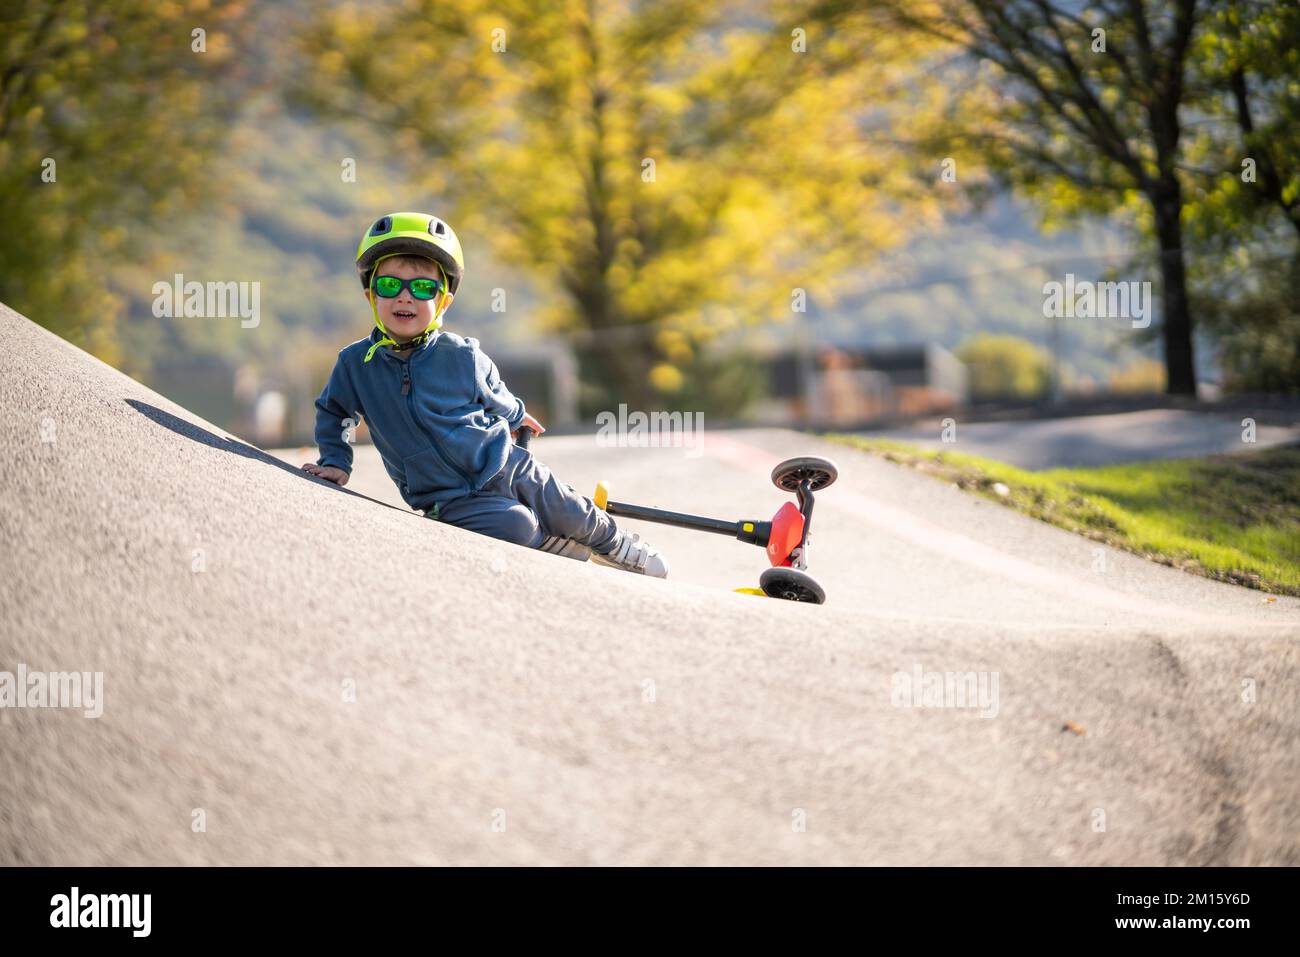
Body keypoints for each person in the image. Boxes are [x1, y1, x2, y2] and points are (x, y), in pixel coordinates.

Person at [302, 212, 667, 577]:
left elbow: (495, 393)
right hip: (445, 498)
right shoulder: (355, 364)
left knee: (568, 508)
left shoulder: (461, 355)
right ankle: (555, 543)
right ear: (370, 294)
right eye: (390, 286)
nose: (406, 297)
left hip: (505, 462)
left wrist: (515, 415)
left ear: (443, 301)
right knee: (517, 527)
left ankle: (615, 543)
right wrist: (336, 460)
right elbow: (334, 411)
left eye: (423, 288)